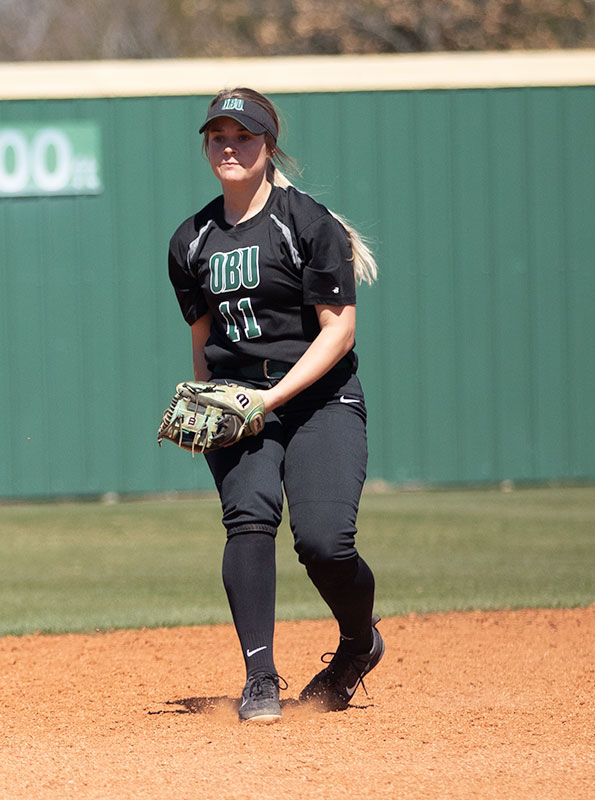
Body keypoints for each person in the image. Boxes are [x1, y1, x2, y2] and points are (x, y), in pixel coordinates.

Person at [165, 88, 386, 724]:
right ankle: (259, 677)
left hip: (321, 399)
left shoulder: (307, 222)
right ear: (206, 145)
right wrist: (211, 397)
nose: (229, 146)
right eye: (218, 135)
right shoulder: (192, 239)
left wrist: (272, 398)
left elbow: (338, 331)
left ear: (269, 146)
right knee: (249, 518)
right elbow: (203, 338)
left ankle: (356, 644)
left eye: (244, 136)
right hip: (240, 405)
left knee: (324, 542)